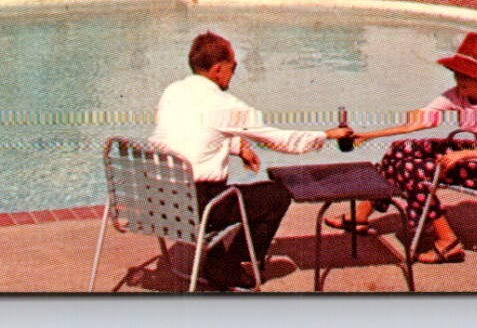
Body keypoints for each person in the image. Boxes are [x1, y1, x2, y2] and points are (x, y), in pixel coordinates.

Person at [149, 31, 354, 290]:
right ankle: (226, 265)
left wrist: (237, 147)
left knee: (241, 195)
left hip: (161, 199)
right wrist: (326, 135)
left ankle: (220, 260)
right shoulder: (224, 104)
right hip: (199, 204)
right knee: (276, 195)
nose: (234, 73)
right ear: (217, 70)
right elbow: (278, 139)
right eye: (233, 67)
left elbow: (190, 134)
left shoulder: (172, 91)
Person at [327, 32, 477, 265]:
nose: (458, 80)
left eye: (465, 76)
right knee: (399, 151)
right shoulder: (457, 95)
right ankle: (360, 216)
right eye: (456, 74)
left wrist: (464, 153)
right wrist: (368, 135)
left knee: (413, 170)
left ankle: (448, 243)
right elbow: (414, 123)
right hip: (472, 155)